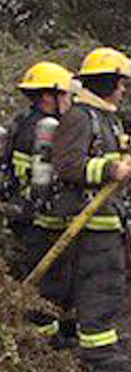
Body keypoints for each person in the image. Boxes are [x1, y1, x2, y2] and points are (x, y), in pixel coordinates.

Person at [51, 47, 131, 366]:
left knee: (105, 279)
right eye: (120, 82)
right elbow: (67, 165)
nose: (123, 89)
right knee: (101, 281)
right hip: (90, 218)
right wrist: (110, 169)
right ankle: (97, 349)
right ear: (107, 82)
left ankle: (98, 338)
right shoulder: (81, 117)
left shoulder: (104, 117)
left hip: (106, 215)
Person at [1, 62, 77, 342]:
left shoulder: (22, 122)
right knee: (50, 282)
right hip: (37, 219)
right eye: (65, 94)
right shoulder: (47, 128)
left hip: (20, 212)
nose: (69, 100)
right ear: (48, 96)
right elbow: (43, 181)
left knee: (57, 278)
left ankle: (64, 331)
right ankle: (48, 342)